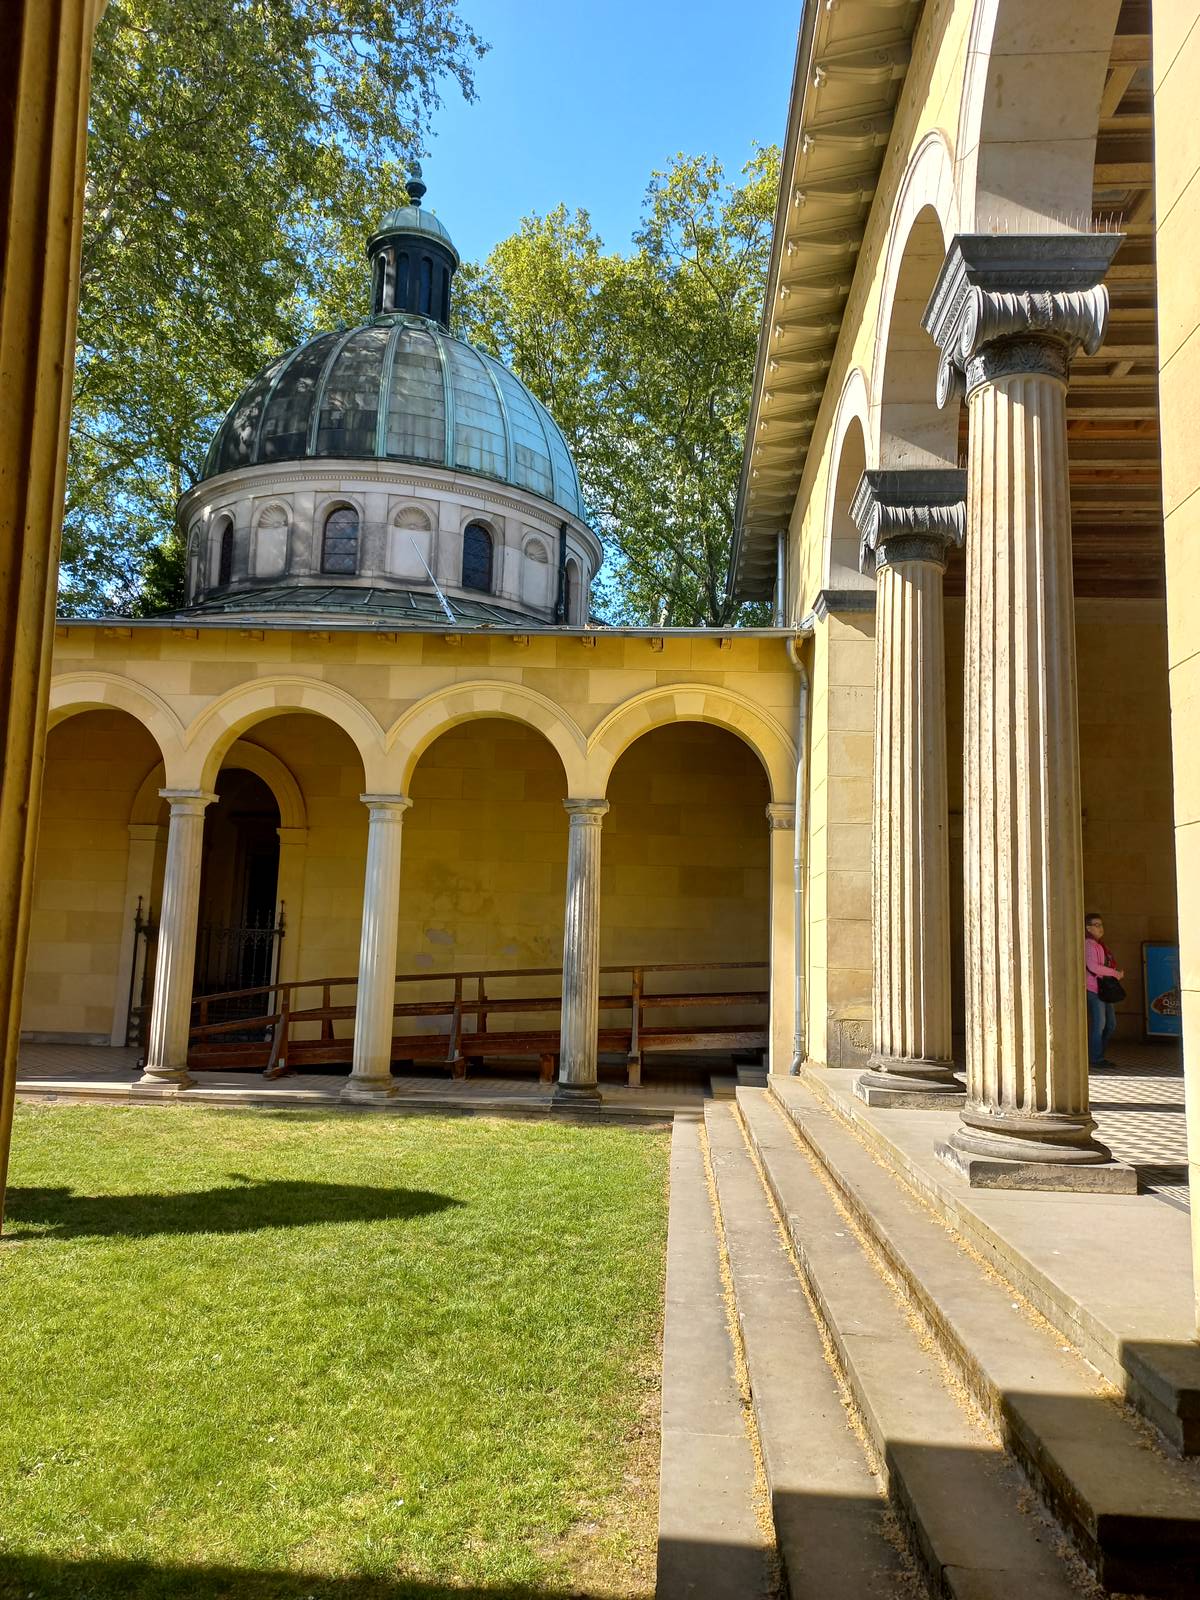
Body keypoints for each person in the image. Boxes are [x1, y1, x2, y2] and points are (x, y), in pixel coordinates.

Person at [1084, 912, 1123, 1068]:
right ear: (1088, 928)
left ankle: (1098, 1054)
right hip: (1094, 989)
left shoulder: (1100, 944)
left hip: (1104, 989)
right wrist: (1115, 973)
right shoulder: (1088, 944)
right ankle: (1096, 1058)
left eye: (1101, 924)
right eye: (1096, 925)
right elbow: (1093, 967)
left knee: (1111, 1024)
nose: (1101, 928)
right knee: (1099, 1024)